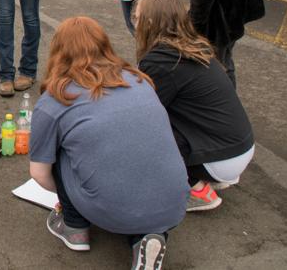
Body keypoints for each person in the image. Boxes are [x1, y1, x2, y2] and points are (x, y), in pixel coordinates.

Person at [29, 17, 188, 269]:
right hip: (175, 204)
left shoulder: (56, 99)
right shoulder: (138, 79)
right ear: (105, 46)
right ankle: (148, 237)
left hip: (109, 208)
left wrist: (68, 195)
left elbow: (39, 174)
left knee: (61, 150)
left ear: (58, 52)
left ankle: (74, 226)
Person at [134, 0, 255, 212]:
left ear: (149, 22)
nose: (135, 22)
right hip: (237, 148)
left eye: (137, 17)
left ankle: (195, 189)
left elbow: (143, 114)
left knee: (143, 137)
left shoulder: (161, 62)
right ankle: (208, 175)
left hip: (221, 157)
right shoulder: (194, 47)